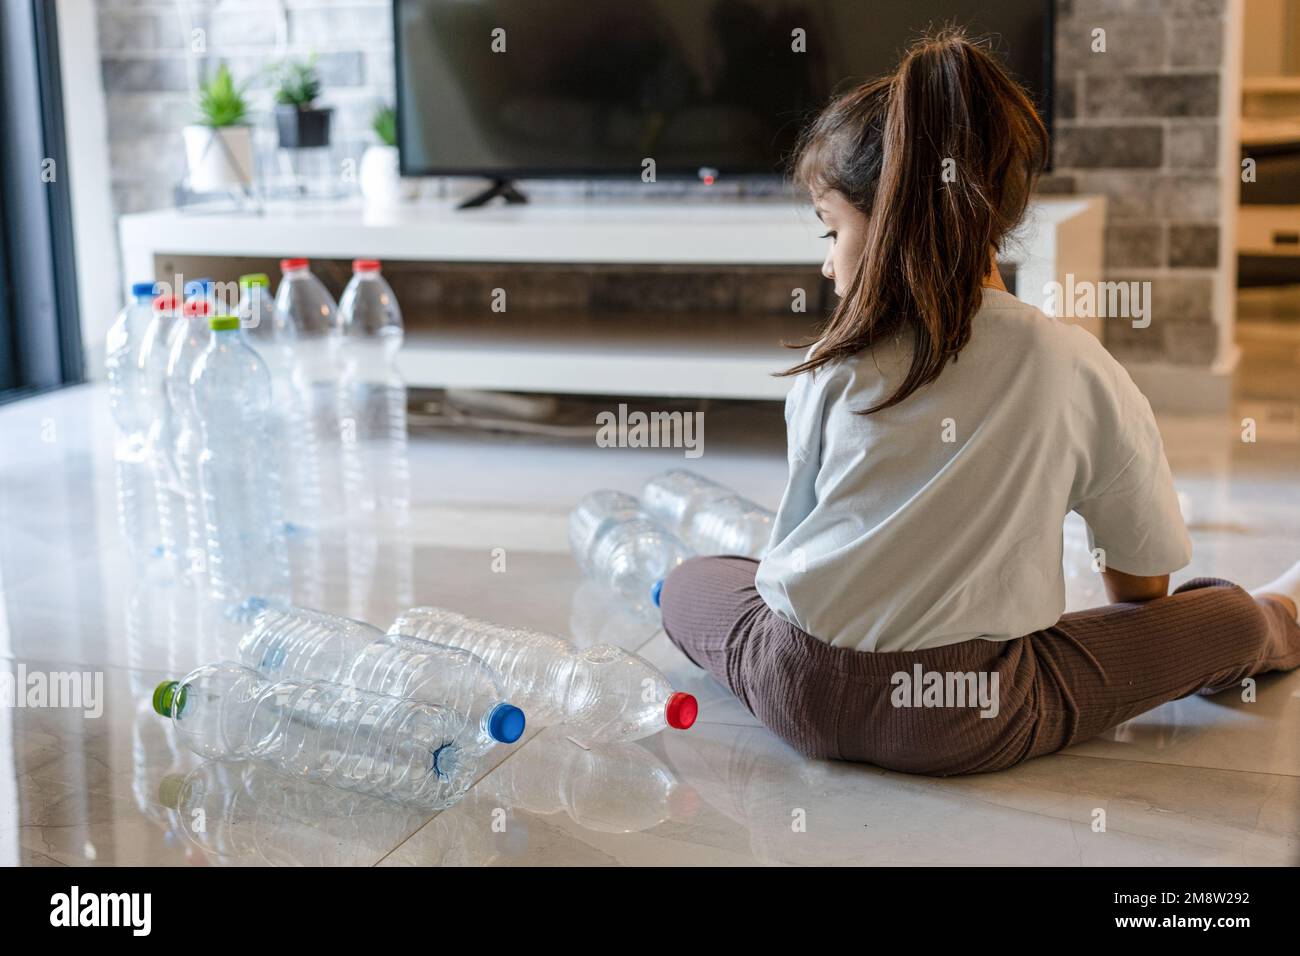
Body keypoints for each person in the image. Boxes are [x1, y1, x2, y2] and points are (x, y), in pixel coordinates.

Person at [658, 28, 1300, 776]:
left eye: (832, 231)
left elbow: (794, 547)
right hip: (965, 710)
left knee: (688, 583)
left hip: (798, 684)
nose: (827, 262)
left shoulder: (825, 366)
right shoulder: (1073, 363)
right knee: (1223, 618)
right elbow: (1142, 585)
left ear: (890, 217)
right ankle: (1285, 616)